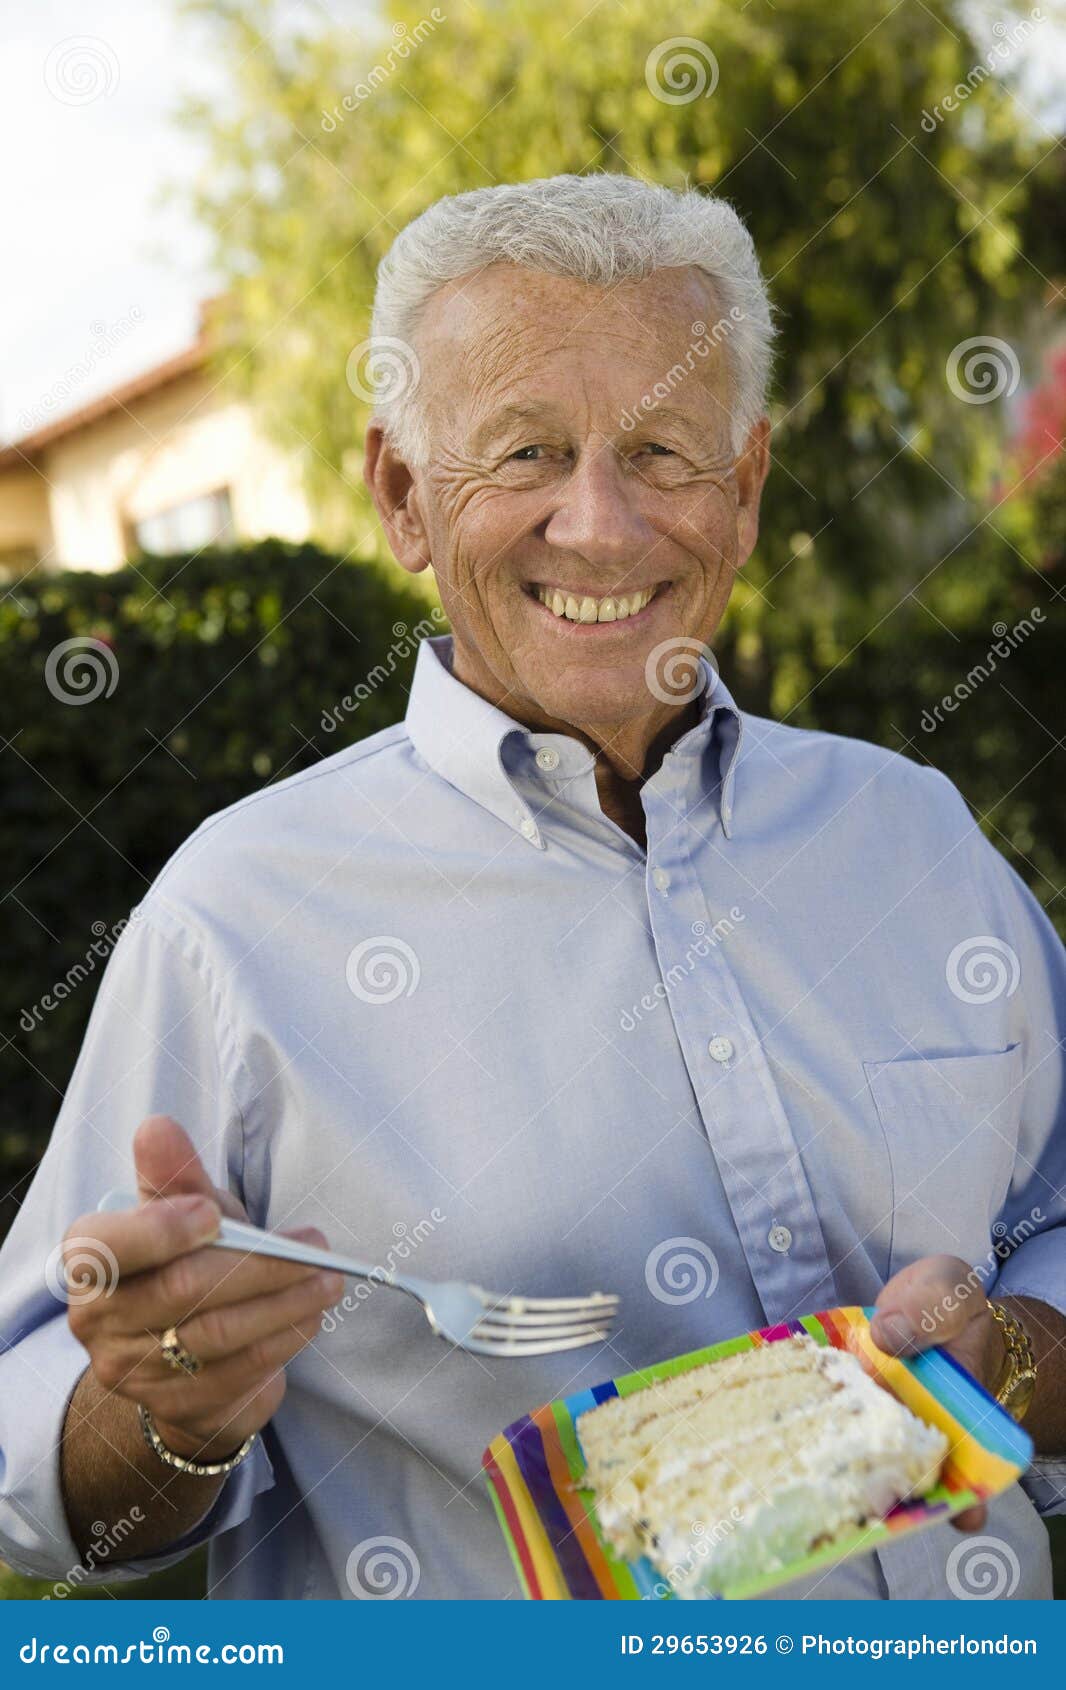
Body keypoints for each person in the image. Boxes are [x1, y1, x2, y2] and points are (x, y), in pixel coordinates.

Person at [1, 174, 1063, 1600]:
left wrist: (1008, 1348)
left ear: (743, 493)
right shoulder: (239, 918)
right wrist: (165, 1416)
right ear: (400, 495)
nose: (602, 526)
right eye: (525, 455)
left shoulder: (916, 837)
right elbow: (30, 1464)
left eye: (663, 454)